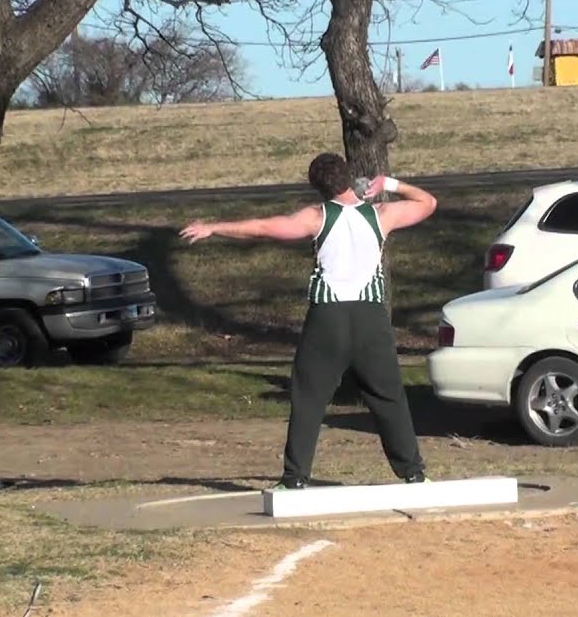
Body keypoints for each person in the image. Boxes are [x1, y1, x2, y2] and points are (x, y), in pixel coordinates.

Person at [180, 152, 438, 489]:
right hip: (370, 318)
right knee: (389, 397)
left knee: (309, 398)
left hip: (327, 319)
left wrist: (214, 227)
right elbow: (428, 202)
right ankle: (414, 474)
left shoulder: (316, 216)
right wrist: (388, 183)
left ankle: (295, 479)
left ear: (318, 187)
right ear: (349, 179)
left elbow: (261, 229)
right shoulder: (381, 214)